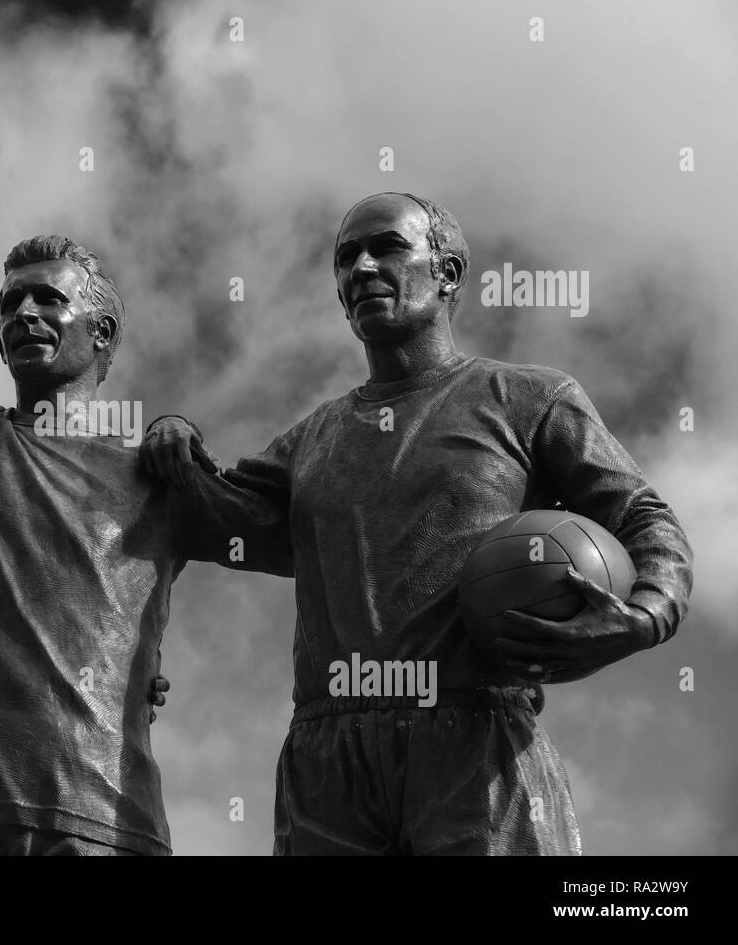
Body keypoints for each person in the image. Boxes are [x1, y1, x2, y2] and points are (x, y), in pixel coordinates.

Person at [0, 32, 291, 856]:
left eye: (45, 300)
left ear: (102, 332)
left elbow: (308, 534)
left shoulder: (156, 474)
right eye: (8, 308)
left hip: (97, 815)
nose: (22, 316)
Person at [142, 192, 693, 855]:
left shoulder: (527, 397)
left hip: (474, 740)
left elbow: (642, 516)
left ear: (448, 273)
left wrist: (649, 612)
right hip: (327, 760)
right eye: (347, 259)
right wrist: (171, 440)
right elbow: (200, 514)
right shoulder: (311, 441)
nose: (362, 268)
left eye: (386, 248)